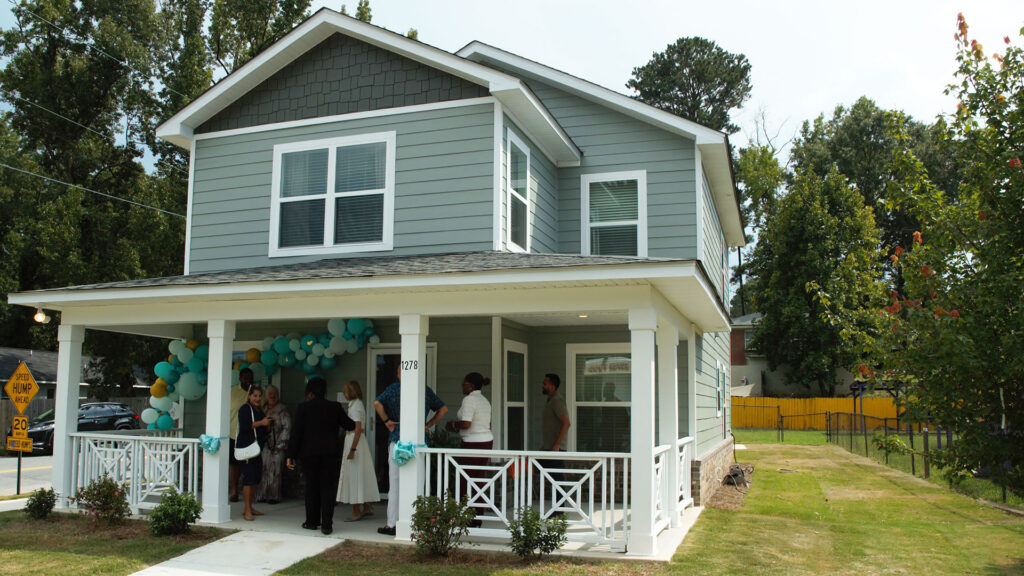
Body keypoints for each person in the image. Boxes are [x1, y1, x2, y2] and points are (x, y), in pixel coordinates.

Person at [373, 365, 448, 536]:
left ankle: (392, 524)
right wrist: (428, 425)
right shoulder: (423, 390)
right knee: (418, 481)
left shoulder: (393, 389)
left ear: (399, 374)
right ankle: (418, 521)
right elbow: (443, 409)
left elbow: (377, 403)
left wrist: (387, 421)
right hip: (419, 442)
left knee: (395, 483)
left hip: (397, 440)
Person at [286, 377, 356, 535]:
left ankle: (311, 522)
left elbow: (296, 433)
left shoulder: (303, 408)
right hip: (329, 454)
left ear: (310, 392)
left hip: (309, 454)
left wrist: (291, 455)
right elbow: (350, 425)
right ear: (324, 391)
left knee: (311, 487)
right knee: (327, 489)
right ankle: (327, 525)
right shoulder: (335, 407)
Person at [445, 372, 493, 526]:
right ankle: (477, 516)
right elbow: (488, 424)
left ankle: (467, 516)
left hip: (473, 443)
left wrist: (453, 425)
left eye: (464, 384)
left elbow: (466, 423)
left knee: (466, 480)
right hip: (486, 441)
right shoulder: (484, 400)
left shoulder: (469, 399)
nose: (462, 386)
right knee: (478, 479)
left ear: (471, 386)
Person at [336, 380, 379, 521]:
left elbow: (358, 428)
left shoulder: (355, 407)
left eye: (346, 391)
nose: (344, 393)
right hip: (360, 442)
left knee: (354, 475)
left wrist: (352, 448)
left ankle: (356, 510)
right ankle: (367, 506)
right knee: (362, 473)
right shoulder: (358, 404)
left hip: (354, 441)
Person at [237, 384, 273, 521]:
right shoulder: (245, 409)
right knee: (248, 478)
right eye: (255, 396)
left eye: (259, 396)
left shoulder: (260, 411)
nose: (258, 398)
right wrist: (261, 423)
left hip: (257, 449)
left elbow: (261, 429)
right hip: (247, 449)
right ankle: (246, 510)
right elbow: (245, 426)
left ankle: (250, 506)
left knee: (255, 479)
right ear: (249, 396)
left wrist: (267, 426)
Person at [256, 385, 291, 504]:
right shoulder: (263, 408)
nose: (272, 396)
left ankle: (273, 496)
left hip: (277, 444)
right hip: (265, 443)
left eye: (275, 393)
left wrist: (280, 444)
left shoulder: (282, 409)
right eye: (270, 393)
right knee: (263, 469)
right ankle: (262, 495)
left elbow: (287, 427)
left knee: (275, 470)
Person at [228, 368, 253, 503]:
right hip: (233, 433)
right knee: (234, 464)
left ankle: (248, 494)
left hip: (249, 434)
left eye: (250, 377)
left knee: (248, 465)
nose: (248, 380)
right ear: (240, 378)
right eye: (245, 377)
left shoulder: (256, 393)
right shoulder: (232, 392)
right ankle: (234, 491)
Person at [540, 373, 570, 485]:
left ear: (552, 387)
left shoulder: (557, 401)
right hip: (548, 447)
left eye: (545, 384)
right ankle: (556, 502)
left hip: (556, 449)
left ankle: (560, 502)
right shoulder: (550, 400)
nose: (542, 385)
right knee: (546, 474)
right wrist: (545, 445)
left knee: (557, 478)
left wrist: (557, 444)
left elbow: (566, 423)